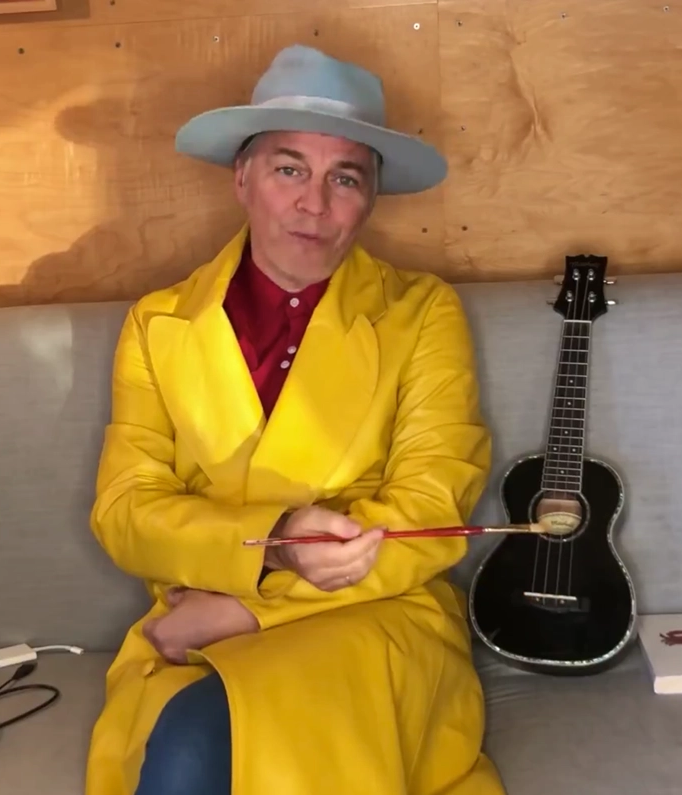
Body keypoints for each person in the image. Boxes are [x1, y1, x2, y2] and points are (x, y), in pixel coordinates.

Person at [83, 44, 507, 795]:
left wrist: (249, 609)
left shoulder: (422, 314)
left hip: (373, 616)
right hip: (195, 619)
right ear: (242, 178)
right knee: (185, 749)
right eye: (289, 169)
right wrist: (276, 544)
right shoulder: (156, 323)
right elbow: (125, 512)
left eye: (345, 178)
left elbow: (432, 511)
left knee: (198, 743)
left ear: (370, 199)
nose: (315, 203)